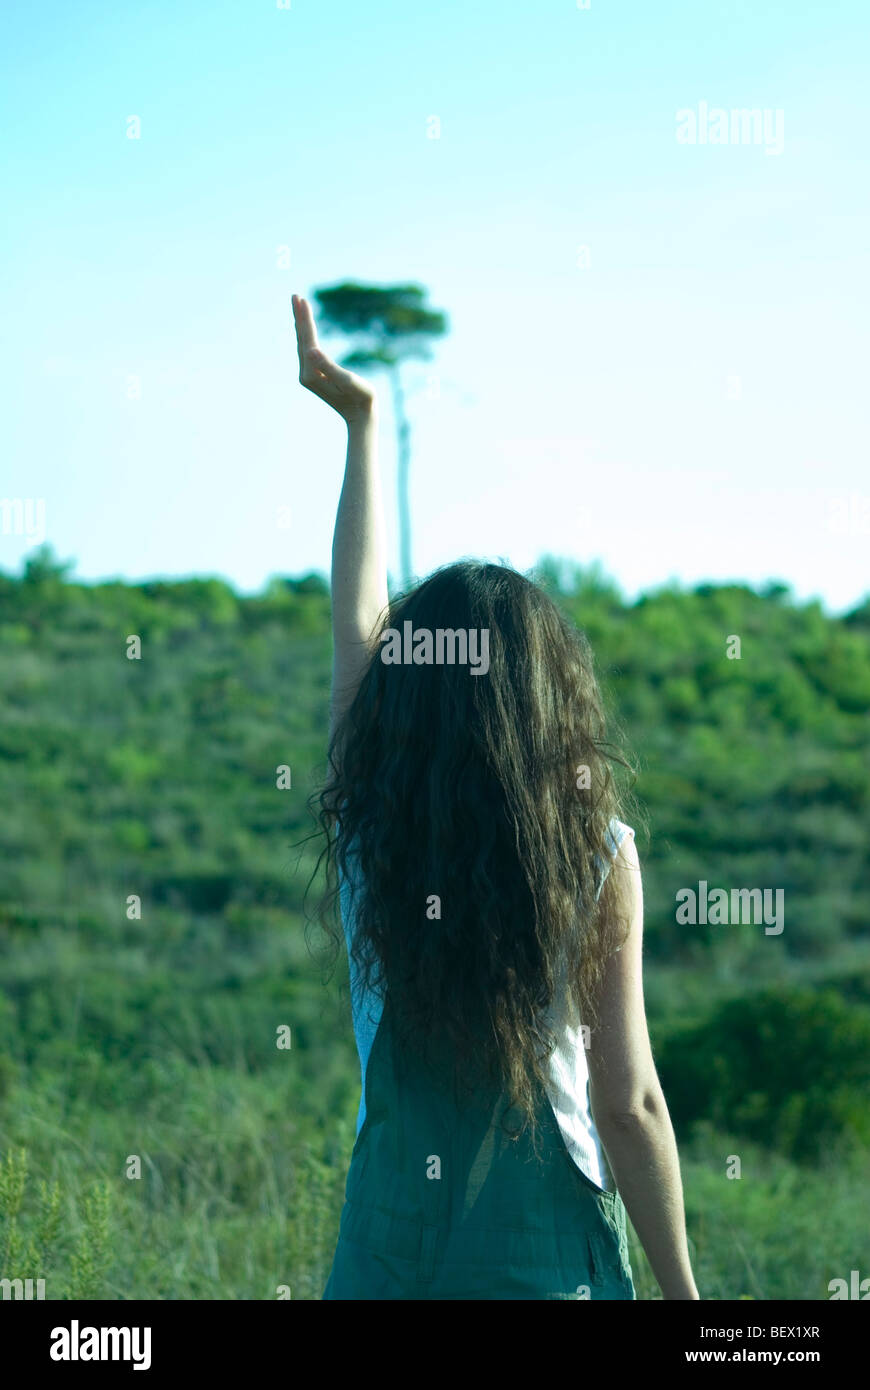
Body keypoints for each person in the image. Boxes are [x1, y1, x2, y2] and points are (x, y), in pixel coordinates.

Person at [293, 292, 700, 1301]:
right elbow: (629, 1104)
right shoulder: (595, 850)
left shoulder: (369, 829)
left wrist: (362, 427)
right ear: (545, 697)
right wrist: (691, 1302)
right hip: (545, 1265)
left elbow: (354, 619)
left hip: (383, 1263)